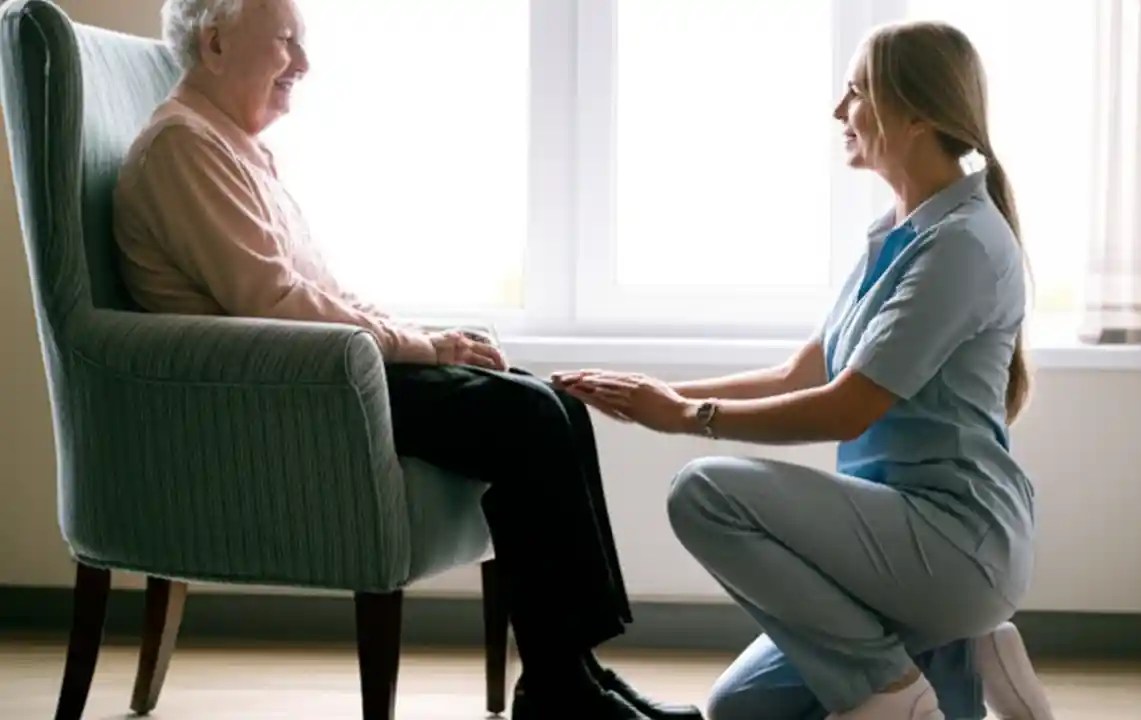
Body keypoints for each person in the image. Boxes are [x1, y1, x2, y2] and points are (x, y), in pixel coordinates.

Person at [112, 1, 700, 718]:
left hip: (317, 377)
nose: (303, 64)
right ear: (214, 45)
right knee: (526, 418)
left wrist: (419, 332)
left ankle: (569, 671)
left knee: (552, 404)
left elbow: (314, 291)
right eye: (288, 43)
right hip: (275, 401)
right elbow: (272, 303)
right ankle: (560, 684)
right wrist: (422, 345)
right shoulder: (184, 149)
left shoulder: (229, 147)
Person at [553, 20, 1055, 720]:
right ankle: (956, 655)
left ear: (913, 114)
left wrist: (685, 420)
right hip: (901, 544)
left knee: (702, 491)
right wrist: (659, 397)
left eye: (855, 91)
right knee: (740, 710)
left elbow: (845, 408)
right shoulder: (901, 230)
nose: (837, 110)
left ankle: (897, 690)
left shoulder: (963, 245)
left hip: (954, 545)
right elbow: (805, 368)